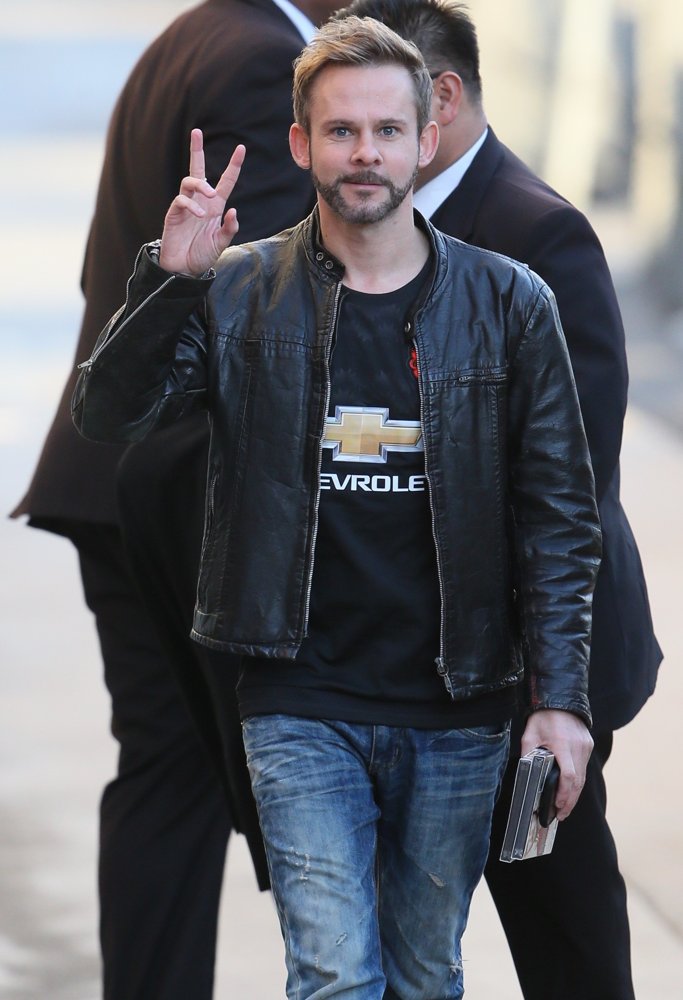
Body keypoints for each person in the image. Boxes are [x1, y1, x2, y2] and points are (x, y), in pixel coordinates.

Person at [72, 16, 601, 998]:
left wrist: (560, 700)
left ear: (425, 137)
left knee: (418, 969)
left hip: (456, 706)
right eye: (341, 131)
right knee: (331, 971)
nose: (364, 154)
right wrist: (168, 281)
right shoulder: (236, 295)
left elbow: (559, 516)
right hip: (295, 699)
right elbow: (112, 415)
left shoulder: (509, 303)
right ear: (299, 144)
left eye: (385, 131)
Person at [10, 2, 339, 997]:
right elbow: (282, 306)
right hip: (171, 490)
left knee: (167, 772)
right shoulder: (259, 66)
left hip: (122, 474)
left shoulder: (195, 36)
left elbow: (101, 266)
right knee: (183, 776)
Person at [334, 2, 663, 998]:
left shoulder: (537, 231)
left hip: (521, 672)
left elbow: (573, 481)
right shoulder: (361, 218)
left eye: (380, 112)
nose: (360, 139)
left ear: (436, 97)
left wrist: (543, 691)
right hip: (403, 662)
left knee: (562, 937)